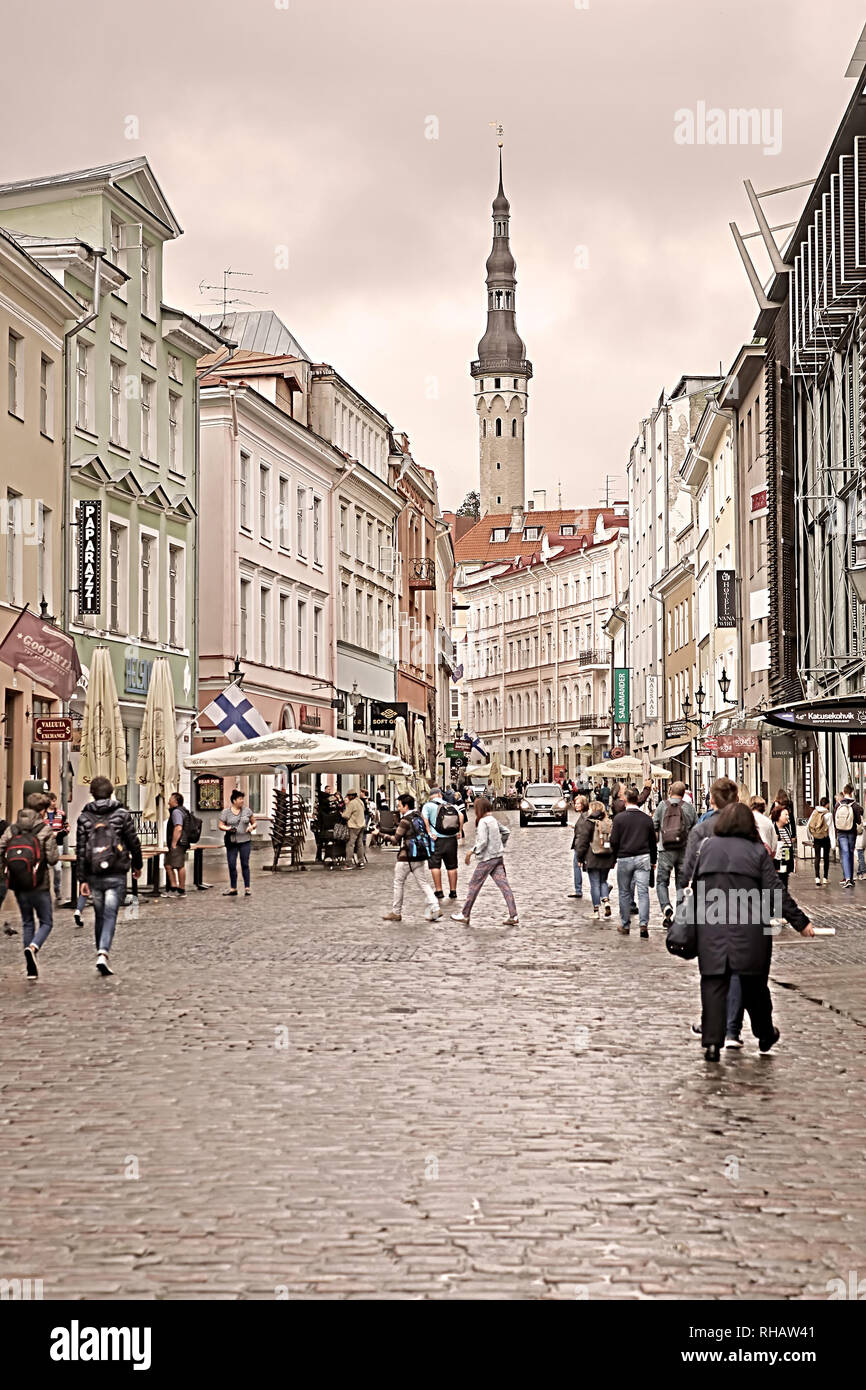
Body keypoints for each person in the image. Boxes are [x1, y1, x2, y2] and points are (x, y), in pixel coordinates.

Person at [686, 800, 814, 1062]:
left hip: (712, 928)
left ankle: (712, 1043)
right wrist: (800, 922)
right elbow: (775, 890)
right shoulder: (756, 851)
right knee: (755, 988)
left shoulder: (708, 848)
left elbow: (697, 886)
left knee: (713, 984)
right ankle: (765, 1033)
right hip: (750, 931)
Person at [76, 775, 142, 976]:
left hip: (94, 873)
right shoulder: (122, 814)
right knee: (110, 913)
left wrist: (82, 879)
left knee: (99, 914)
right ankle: (103, 952)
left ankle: (100, 951)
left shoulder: (84, 818)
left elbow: (81, 850)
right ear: (111, 792)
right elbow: (133, 841)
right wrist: (137, 865)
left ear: (92, 794)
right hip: (116, 871)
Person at [0, 792, 59, 979]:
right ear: (42, 811)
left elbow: (1, 848)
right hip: (39, 883)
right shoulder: (45, 830)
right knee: (46, 922)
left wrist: (8, 870)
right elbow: (53, 859)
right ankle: (33, 947)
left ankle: (30, 969)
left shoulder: (13, 828)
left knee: (27, 922)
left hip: (18, 883)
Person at [451, 796, 518, 926]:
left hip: (487, 859)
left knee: (474, 885)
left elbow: (482, 842)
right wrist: (500, 845)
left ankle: (465, 914)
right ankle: (513, 915)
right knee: (504, 886)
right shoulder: (492, 819)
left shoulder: (483, 822)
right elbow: (506, 832)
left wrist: (471, 852)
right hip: (498, 857)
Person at [382, 793, 441, 923]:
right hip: (420, 855)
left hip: (406, 857)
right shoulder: (419, 816)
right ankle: (436, 907)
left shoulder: (405, 820)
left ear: (406, 806)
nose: (398, 808)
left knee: (398, 883)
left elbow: (395, 839)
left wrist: (380, 834)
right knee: (423, 883)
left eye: (399, 806)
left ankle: (396, 912)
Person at [608, 786, 657, 937]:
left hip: (624, 857)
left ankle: (625, 925)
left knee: (624, 892)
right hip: (643, 857)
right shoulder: (646, 819)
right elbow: (653, 842)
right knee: (643, 893)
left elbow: (614, 841)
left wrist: (613, 858)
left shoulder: (619, 819)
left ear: (625, 800)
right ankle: (643, 925)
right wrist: (653, 860)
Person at [652, 780, 697, 924]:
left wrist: (657, 841)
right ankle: (679, 916)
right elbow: (695, 830)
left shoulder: (662, 806)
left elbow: (654, 826)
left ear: (670, 791)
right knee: (681, 883)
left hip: (665, 849)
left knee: (662, 881)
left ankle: (666, 906)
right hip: (684, 849)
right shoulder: (689, 808)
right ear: (684, 794)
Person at [573, 799, 614, 919]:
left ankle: (596, 910)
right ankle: (606, 900)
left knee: (594, 884)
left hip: (593, 856)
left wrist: (579, 858)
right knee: (603, 881)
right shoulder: (609, 822)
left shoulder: (589, 822)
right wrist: (614, 858)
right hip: (607, 856)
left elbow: (583, 842)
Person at [422, 786, 464, 900]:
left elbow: (424, 819)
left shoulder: (428, 806)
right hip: (451, 839)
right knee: (452, 866)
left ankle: (439, 891)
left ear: (430, 796)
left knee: (435, 865)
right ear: (440, 795)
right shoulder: (451, 805)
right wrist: (459, 831)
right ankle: (453, 891)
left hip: (436, 839)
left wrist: (429, 832)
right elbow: (461, 816)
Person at [219, 789, 256, 895]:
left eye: (242, 799)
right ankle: (233, 888)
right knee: (231, 864)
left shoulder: (247, 811)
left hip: (245, 841)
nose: (242, 801)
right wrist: (228, 828)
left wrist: (251, 827)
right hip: (232, 842)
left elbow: (254, 823)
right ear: (234, 800)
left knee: (245, 864)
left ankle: (247, 888)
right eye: (240, 799)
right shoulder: (226, 812)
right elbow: (220, 825)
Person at [835, 784, 863, 887]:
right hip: (851, 832)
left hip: (841, 832)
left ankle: (847, 878)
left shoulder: (838, 805)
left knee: (845, 853)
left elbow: (835, 819)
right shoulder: (855, 805)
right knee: (850, 853)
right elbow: (859, 820)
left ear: (844, 792)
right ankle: (850, 878)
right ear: (852, 792)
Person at [45, 791, 69, 905]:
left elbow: (67, 828)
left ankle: (57, 889)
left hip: (57, 844)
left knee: (57, 868)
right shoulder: (41, 814)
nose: (54, 803)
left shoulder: (61, 814)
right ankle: (44, 890)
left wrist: (58, 834)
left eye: (55, 801)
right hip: (44, 844)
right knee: (44, 869)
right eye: (52, 801)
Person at [165, 791, 190, 895]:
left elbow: (178, 828)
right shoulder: (183, 811)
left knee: (174, 865)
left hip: (178, 842)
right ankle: (177, 887)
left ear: (175, 801)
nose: (168, 802)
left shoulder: (176, 812)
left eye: (170, 800)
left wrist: (174, 843)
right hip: (183, 841)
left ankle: (176, 888)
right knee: (171, 864)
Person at [806, 796, 832, 885]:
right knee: (826, 858)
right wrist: (833, 843)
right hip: (825, 837)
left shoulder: (815, 812)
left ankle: (817, 878)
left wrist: (810, 837)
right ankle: (825, 878)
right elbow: (831, 829)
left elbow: (808, 825)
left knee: (817, 857)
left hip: (816, 837)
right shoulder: (829, 814)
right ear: (827, 804)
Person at [568, 794, 589, 898]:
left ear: (583, 804)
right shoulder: (584, 815)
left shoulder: (584, 816)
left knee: (579, 867)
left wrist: (580, 848)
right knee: (589, 867)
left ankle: (578, 890)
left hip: (580, 846)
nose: (575, 805)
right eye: (575, 803)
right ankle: (604, 885)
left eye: (578, 804)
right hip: (582, 845)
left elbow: (582, 834)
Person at [341, 790, 367, 868]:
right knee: (360, 844)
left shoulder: (352, 803)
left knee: (350, 845)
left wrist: (342, 813)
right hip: (362, 825)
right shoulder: (360, 801)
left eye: (348, 796)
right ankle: (361, 862)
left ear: (352, 796)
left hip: (354, 826)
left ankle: (348, 863)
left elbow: (346, 815)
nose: (348, 797)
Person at [770, 803, 795, 884]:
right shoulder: (772, 829)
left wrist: (789, 863)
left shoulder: (786, 829)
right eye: (785, 815)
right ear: (778, 816)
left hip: (785, 863)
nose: (788, 817)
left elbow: (788, 847)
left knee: (784, 884)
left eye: (788, 814)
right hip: (776, 865)